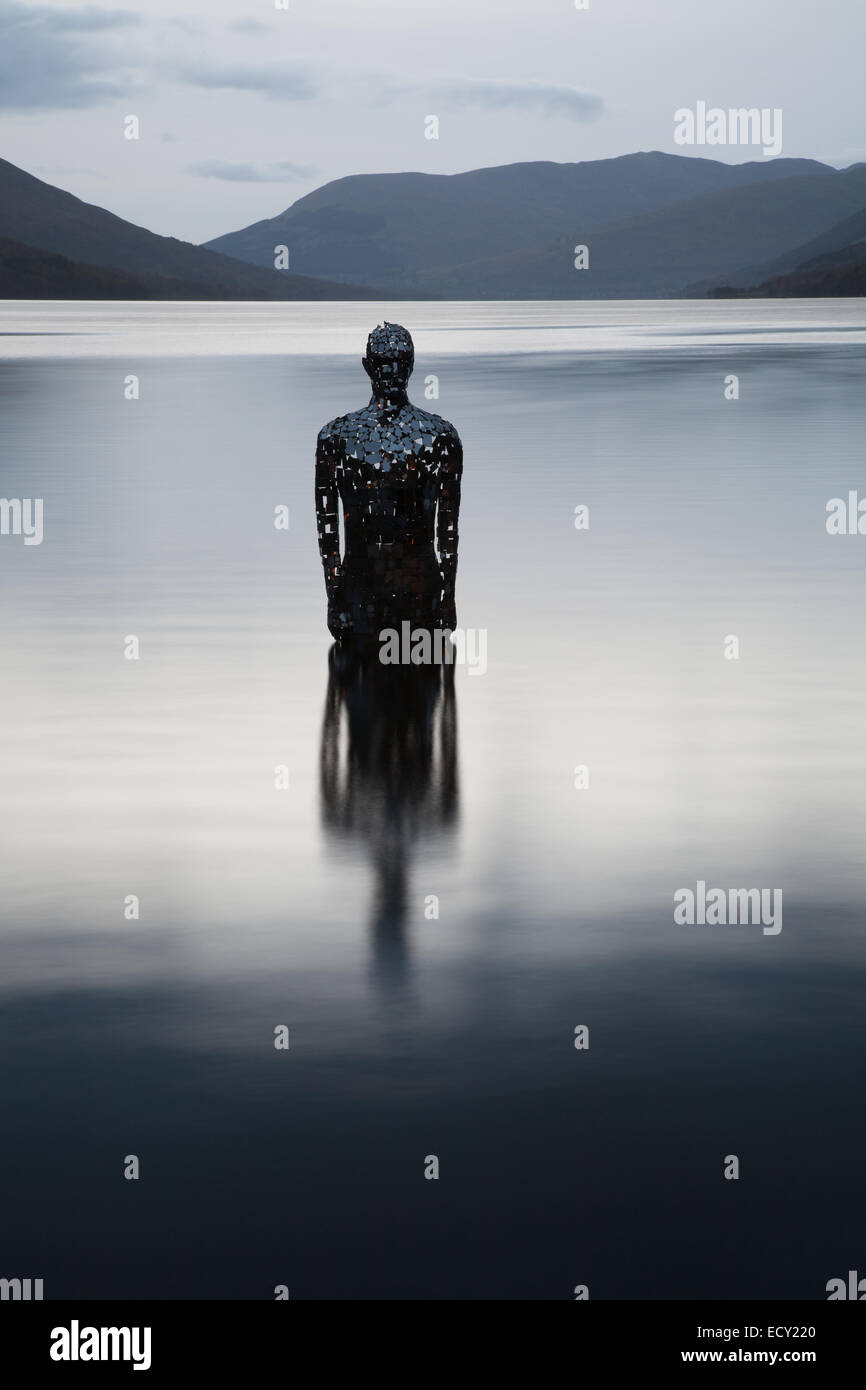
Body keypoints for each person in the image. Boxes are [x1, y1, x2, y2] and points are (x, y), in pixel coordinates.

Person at [315, 322, 462, 642]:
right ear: (370, 366)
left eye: (399, 361)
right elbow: (328, 530)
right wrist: (334, 599)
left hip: (407, 594)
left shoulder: (440, 437)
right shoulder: (336, 438)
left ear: (410, 364)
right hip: (371, 595)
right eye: (385, 362)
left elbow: (448, 530)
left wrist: (448, 598)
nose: (393, 370)